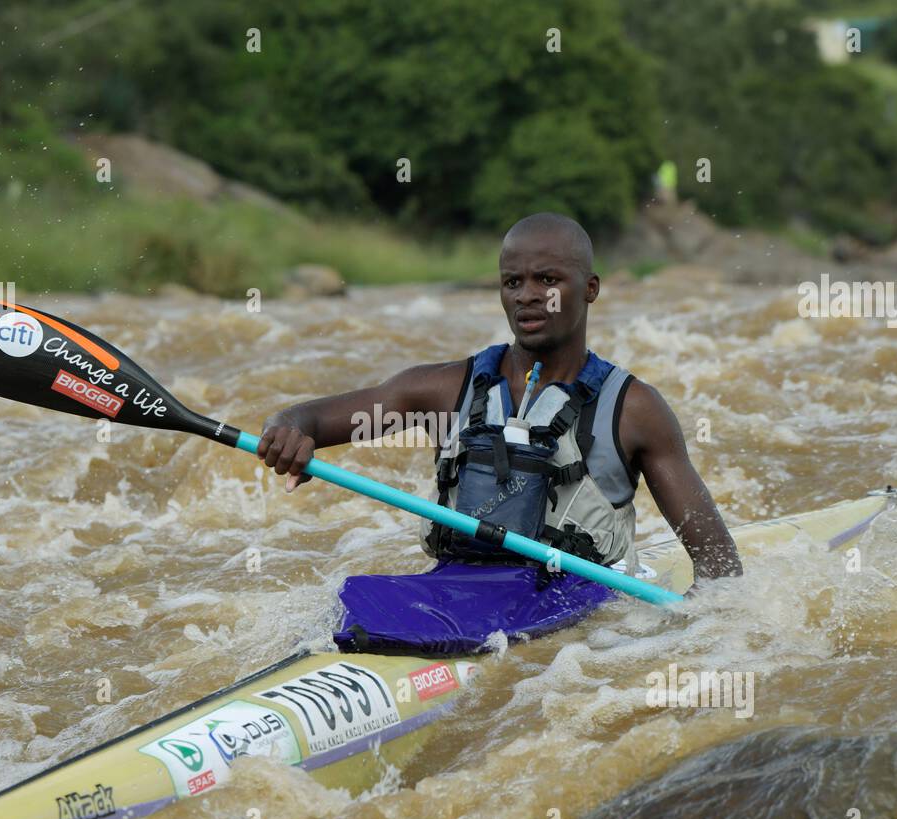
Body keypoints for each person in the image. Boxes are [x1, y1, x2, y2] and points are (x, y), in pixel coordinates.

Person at [257, 212, 740, 651]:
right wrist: (286, 429)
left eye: (547, 279)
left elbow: (720, 571)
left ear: (590, 288)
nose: (527, 294)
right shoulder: (445, 389)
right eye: (512, 282)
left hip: (574, 617)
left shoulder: (635, 410)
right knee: (339, 611)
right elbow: (309, 420)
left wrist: (678, 641)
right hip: (454, 596)